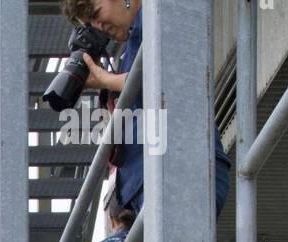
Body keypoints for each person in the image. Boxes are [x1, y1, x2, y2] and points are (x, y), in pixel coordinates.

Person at [66, 0, 231, 218]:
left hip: (180, 171)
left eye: (96, 13)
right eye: (90, 24)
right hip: (154, 180)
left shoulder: (163, 16)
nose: (99, 26)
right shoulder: (133, 47)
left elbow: (169, 79)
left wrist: (107, 80)